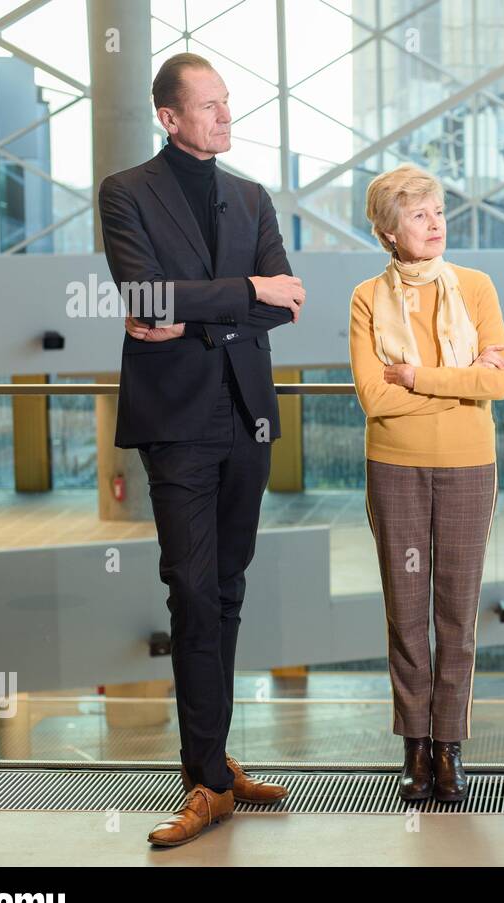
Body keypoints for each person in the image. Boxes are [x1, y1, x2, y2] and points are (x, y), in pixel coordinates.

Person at [99, 52, 304, 847]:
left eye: (228, 104)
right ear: (169, 117)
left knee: (226, 588)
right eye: (210, 106)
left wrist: (209, 311)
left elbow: (288, 304)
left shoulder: (251, 197)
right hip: (177, 420)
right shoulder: (127, 192)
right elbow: (146, 298)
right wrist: (247, 293)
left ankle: (216, 767)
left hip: (247, 414)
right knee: (189, 589)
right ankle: (203, 780)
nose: (226, 117)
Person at [349, 163, 504, 803]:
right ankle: (415, 744)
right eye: (418, 215)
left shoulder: (475, 287)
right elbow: (370, 398)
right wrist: (455, 383)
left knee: (457, 615)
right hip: (394, 465)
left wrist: (414, 378)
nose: (435, 224)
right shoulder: (368, 298)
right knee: (406, 613)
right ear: (389, 232)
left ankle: (450, 745)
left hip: (470, 465)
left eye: (438, 211)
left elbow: (495, 383)